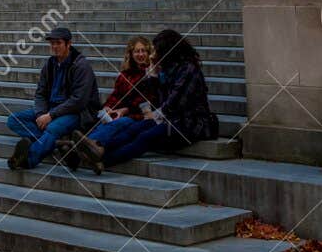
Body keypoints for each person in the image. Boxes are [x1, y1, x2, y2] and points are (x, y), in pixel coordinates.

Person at [73, 28, 217, 174]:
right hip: (171, 118)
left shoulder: (188, 69)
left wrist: (154, 113)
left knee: (145, 136)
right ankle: (99, 148)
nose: (154, 54)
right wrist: (154, 76)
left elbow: (173, 103)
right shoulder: (167, 69)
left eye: (157, 50)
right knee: (133, 130)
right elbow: (160, 101)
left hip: (190, 124)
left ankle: (103, 161)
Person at [6, 26, 100, 170]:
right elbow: (40, 93)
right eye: (52, 43)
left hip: (77, 113)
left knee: (53, 127)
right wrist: (40, 114)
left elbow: (79, 101)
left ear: (69, 44)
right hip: (51, 109)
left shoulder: (81, 65)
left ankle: (27, 160)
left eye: (58, 43)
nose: (54, 47)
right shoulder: (50, 64)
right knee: (14, 120)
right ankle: (57, 143)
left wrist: (51, 115)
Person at [64, 36, 155, 172]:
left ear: (148, 53)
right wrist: (108, 107)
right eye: (137, 51)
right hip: (119, 113)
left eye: (143, 51)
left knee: (119, 123)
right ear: (131, 53)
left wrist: (124, 110)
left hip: (138, 116)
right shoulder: (125, 74)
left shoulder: (151, 73)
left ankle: (75, 149)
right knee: (103, 120)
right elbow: (116, 95)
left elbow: (147, 100)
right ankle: (88, 153)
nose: (140, 54)